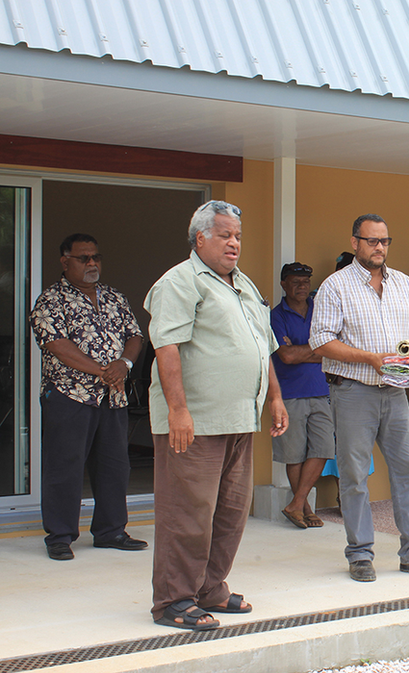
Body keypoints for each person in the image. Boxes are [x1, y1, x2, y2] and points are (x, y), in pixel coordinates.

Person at [145, 200, 289, 630]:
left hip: (240, 418)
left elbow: (262, 346)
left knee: (230, 510)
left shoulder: (242, 284)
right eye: (225, 234)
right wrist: (179, 411)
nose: (234, 243)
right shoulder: (180, 281)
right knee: (187, 512)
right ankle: (174, 600)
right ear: (200, 238)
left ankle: (210, 588)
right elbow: (166, 346)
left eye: (238, 236)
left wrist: (275, 399)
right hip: (196, 421)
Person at [310, 214, 409, 583]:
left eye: (384, 241)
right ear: (355, 242)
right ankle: (360, 555)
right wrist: (370, 359)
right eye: (371, 241)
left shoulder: (402, 283)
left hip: (397, 393)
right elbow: (321, 340)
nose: (379, 248)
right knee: (354, 475)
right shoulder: (335, 286)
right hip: (354, 391)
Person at [29, 233, 146, 561]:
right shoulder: (51, 300)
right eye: (84, 258)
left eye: (95, 257)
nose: (92, 263)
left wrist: (123, 364)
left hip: (113, 396)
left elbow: (135, 335)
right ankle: (60, 536)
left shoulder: (113, 297)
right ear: (65, 261)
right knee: (64, 466)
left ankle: (111, 531)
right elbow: (57, 344)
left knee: (114, 466)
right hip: (69, 396)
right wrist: (101, 370)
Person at [270, 262, 335, 529]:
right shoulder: (276, 315)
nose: (301, 286)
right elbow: (285, 356)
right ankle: (304, 507)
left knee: (322, 448)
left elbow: (333, 349)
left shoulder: (320, 310)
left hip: (322, 391)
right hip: (289, 394)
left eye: (305, 282)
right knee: (294, 454)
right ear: (283, 284)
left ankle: (296, 503)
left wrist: (302, 352)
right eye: (295, 282)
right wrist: (316, 352)